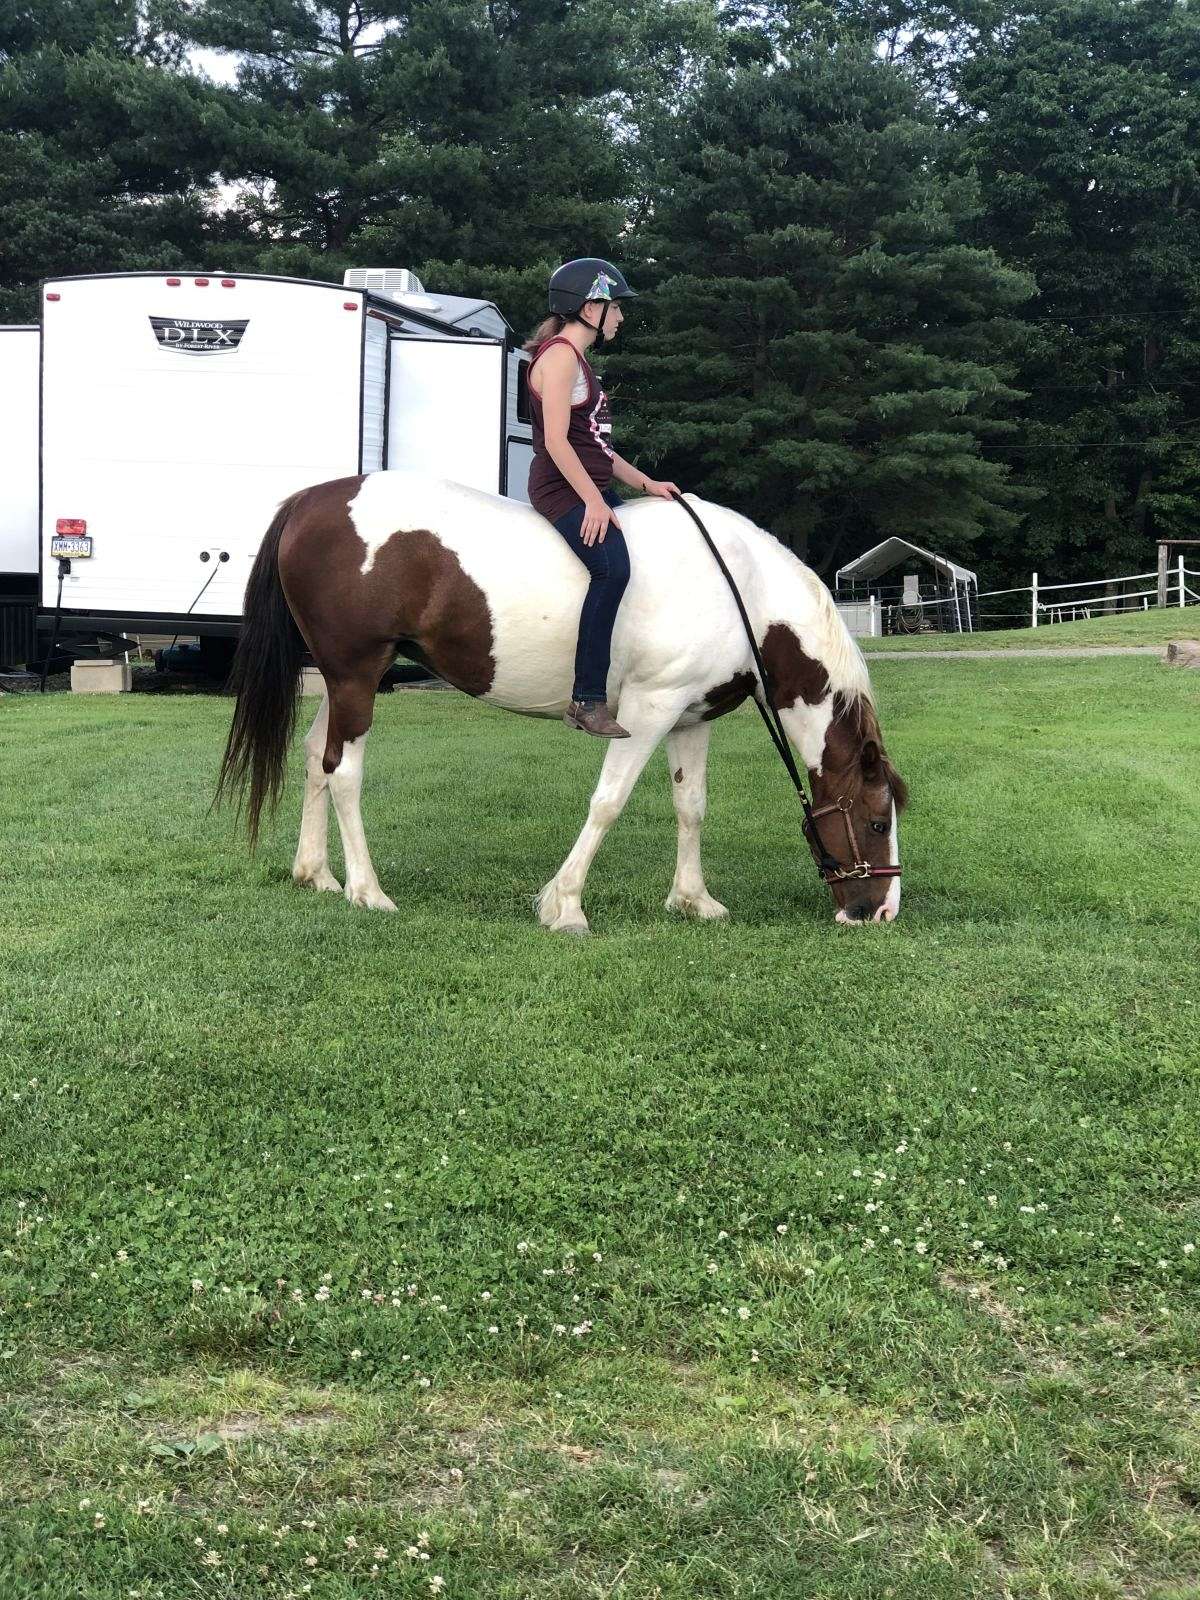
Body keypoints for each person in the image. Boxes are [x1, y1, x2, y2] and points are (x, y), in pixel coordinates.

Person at [524, 257, 680, 737]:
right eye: (615, 307)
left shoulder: (579, 359)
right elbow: (555, 441)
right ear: (589, 306)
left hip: (590, 483)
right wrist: (593, 501)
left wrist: (646, 484)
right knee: (612, 569)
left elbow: (596, 445)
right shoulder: (561, 356)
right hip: (561, 488)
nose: (620, 317)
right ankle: (587, 699)